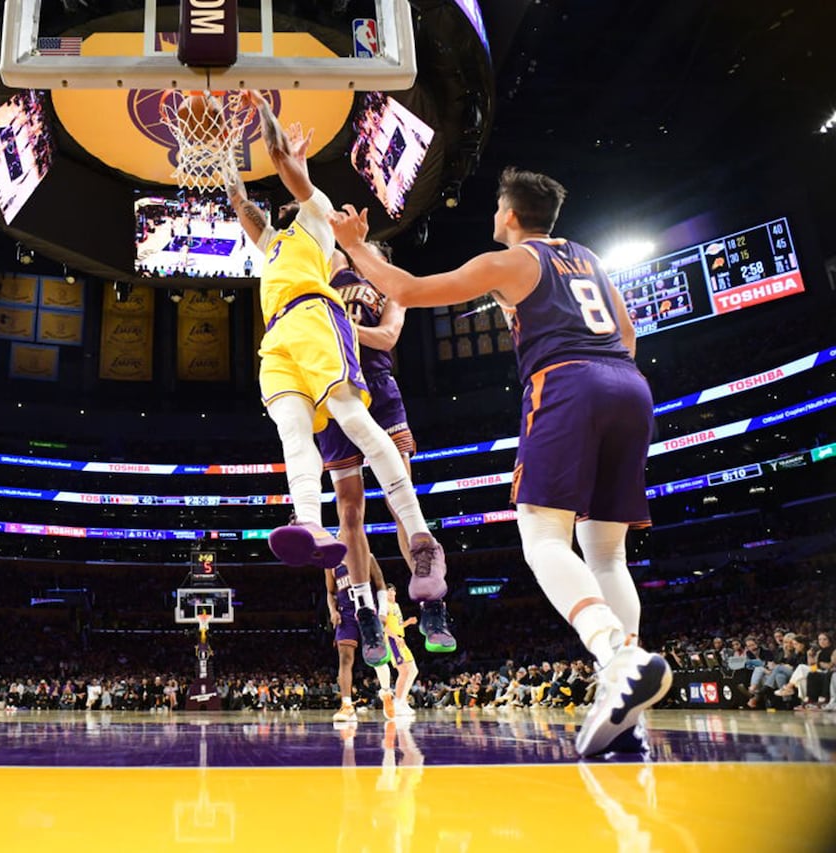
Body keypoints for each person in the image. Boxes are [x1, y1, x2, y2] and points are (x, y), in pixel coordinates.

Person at [328, 166, 671, 757]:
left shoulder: (514, 260)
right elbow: (628, 332)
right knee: (607, 552)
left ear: (510, 215)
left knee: (542, 538)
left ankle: (615, 654)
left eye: (495, 207)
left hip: (568, 382)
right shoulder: (589, 258)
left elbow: (407, 289)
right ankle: (626, 697)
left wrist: (355, 246)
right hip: (629, 384)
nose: (493, 215)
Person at [224, 90, 432, 662]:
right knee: (292, 432)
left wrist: (262, 112)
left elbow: (283, 161)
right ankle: (309, 526)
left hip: (316, 317)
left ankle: (419, 536)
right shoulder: (272, 245)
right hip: (277, 337)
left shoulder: (315, 218)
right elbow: (243, 205)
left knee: (350, 415)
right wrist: (224, 152)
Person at [319, 250, 456, 655]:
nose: (360, 254)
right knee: (349, 512)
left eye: (371, 251)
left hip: (379, 388)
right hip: (335, 393)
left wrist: (342, 327)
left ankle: (433, 605)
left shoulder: (391, 289)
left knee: (402, 500)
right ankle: (365, 611)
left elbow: (388, 337)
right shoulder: (324, 280)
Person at [327, 557, 397, 722]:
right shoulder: (332, 563)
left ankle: (386, 692)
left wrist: (382, 612)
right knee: (345, 659)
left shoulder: (367, 557)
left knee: (377, 658)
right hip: (346, 615)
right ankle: (347, 705)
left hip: (367, 610)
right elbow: (330, 592)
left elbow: (380, 585)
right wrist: (333, 611)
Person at [381, 585, 419, 721]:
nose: (391, 592)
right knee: (403, 671)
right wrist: (395, 638)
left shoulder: (396, 605)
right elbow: (383, 626)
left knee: (413, 670)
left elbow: (398, 625)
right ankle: (397, 703)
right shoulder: (384, 606)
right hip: (392, 640)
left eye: (393, 590)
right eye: (388, 590)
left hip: (400, 639)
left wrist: (408, 622)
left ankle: (402, 701)